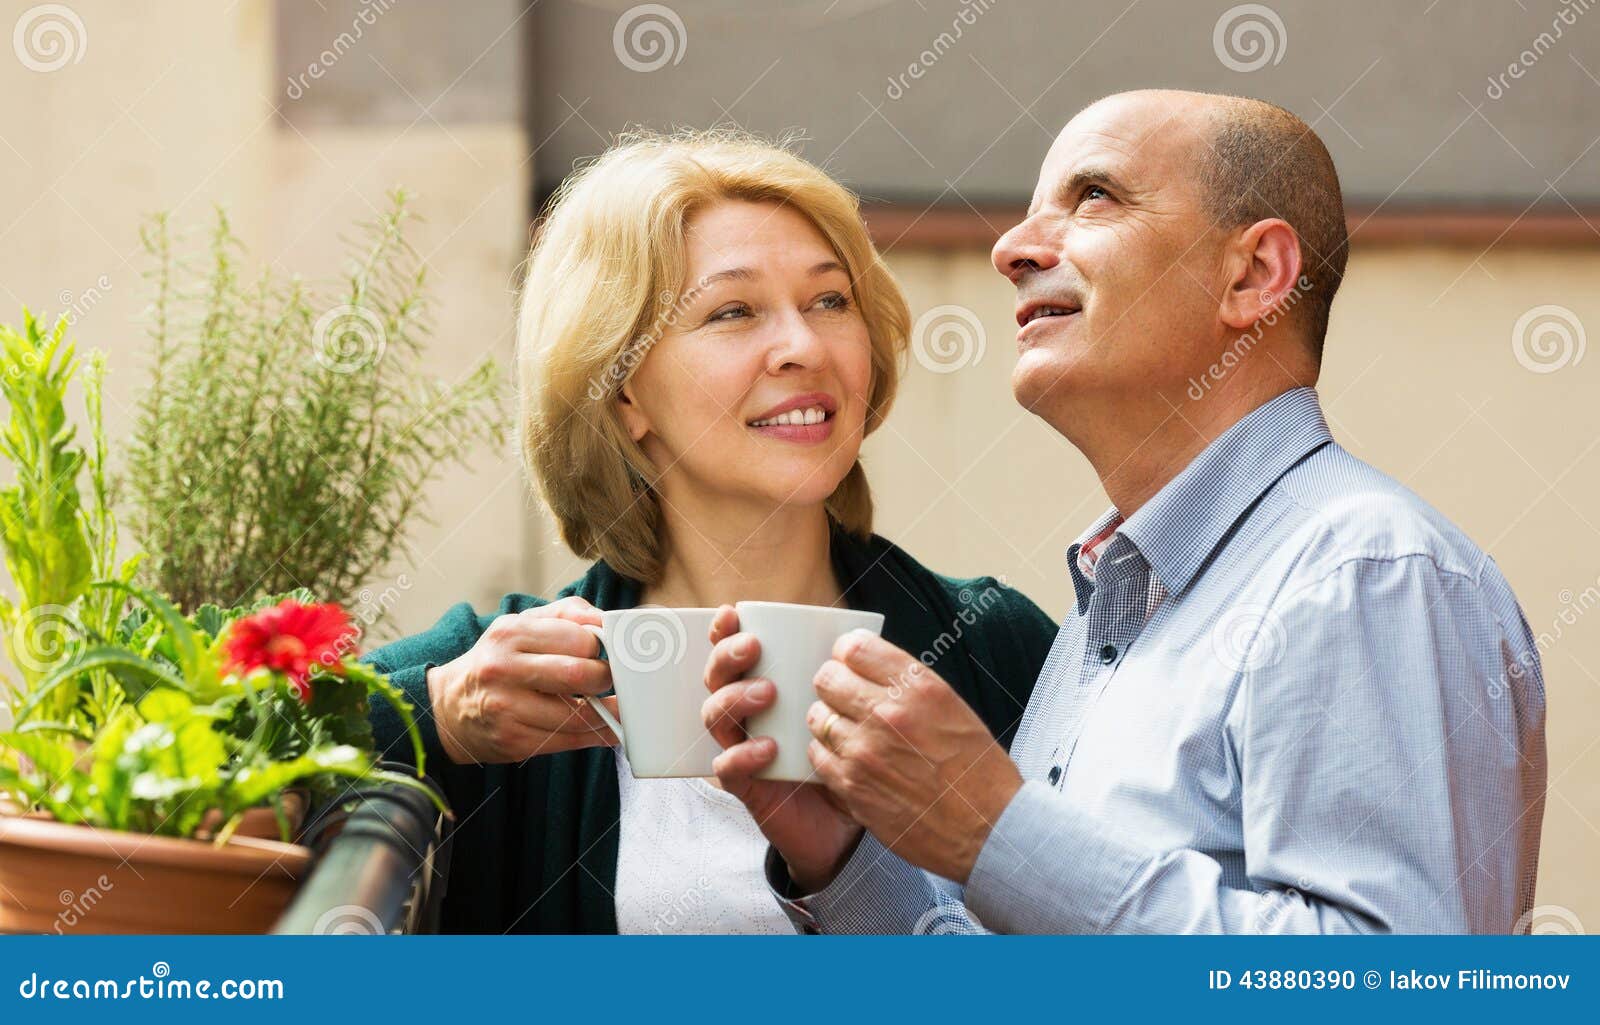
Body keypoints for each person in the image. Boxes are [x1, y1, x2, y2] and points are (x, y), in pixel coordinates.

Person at [704, 90, 1547, 934]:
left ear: (1253, 276)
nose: (1011, 249)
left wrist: (1003, 831)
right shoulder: (1113, 605)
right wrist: (846, 861)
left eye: (1093, 196)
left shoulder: (1365, 573)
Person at [363, 129, 1058, 933]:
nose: (803, 346)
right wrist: (432, 712)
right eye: (734, 311)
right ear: (622, 393)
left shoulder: (992, 646)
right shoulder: (502, 680)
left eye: (830, 300)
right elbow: (214, 740)